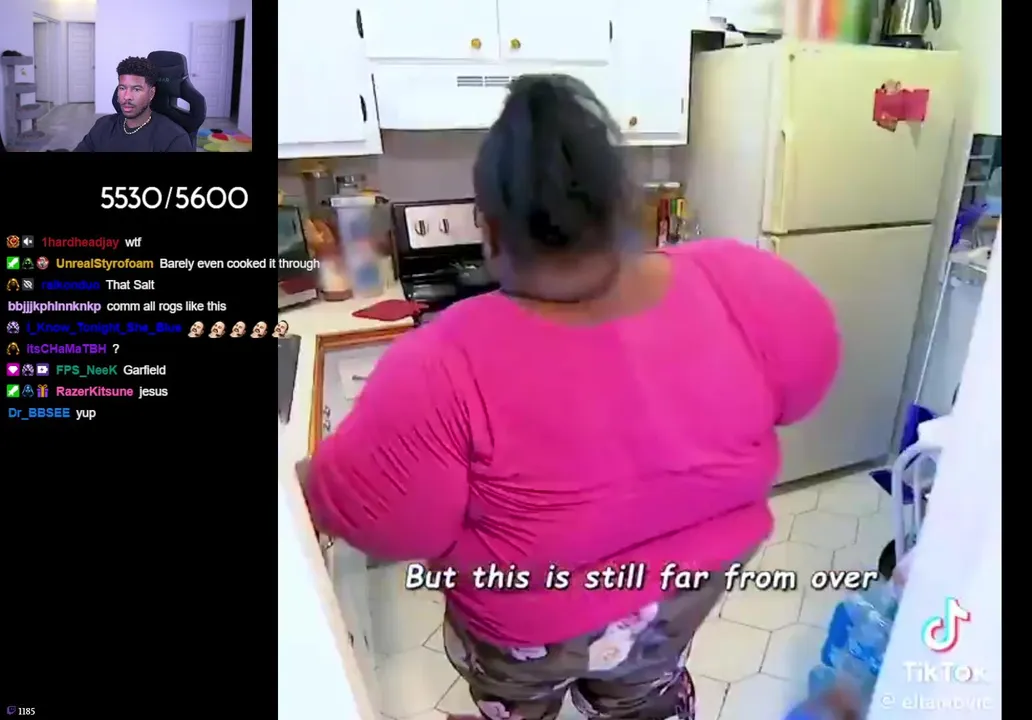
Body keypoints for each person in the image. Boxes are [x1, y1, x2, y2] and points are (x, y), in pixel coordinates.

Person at [302, 74, 840, 720]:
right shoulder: (739, 281)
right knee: (643, 686)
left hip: (527, 627)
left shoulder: (439, 364)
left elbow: (387, 523)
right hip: (679, 599)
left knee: (521, 701)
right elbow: (807, 386)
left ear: (490, 231)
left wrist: (307, 481)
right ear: (623, 209)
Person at [73, 57, 195, 153]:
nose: (127, 96)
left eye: (136, 89)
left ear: (151, 93)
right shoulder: (103, 125)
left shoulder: (174, 139)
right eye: (122, 88)